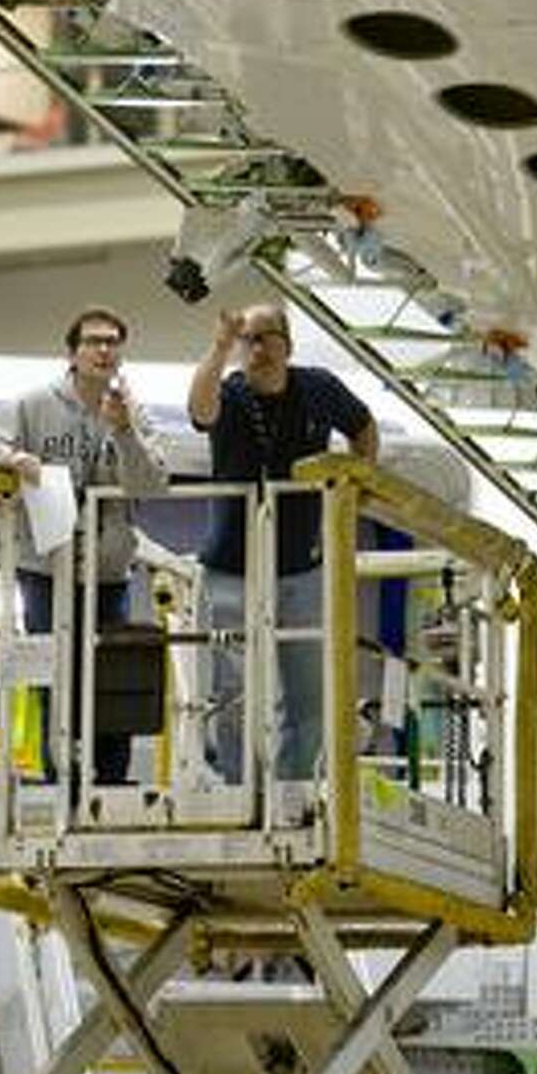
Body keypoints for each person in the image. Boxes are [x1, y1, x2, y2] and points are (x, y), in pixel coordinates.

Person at [0, 307, 168, 784]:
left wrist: (125, 432)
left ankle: (110, 782)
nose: (104, 350)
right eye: (93, 341)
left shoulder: (134, 411)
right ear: (71, 353)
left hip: (109, 569)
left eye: (113, 342)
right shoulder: (33, 405)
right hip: (44, 566)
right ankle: (60, 781)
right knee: (55, 673)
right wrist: (14, 457)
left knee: (110, 676)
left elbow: (151, 483)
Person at [188, 301, 378, 783]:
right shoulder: (229, 392)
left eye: (265, 337)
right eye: (247, 340)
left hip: (300, 568)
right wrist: (218, 346)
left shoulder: (317, 388)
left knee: (308, 694)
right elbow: (199, 410)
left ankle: (293, 794)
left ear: (286, 344)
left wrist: (357, 485)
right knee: (234, 694)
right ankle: (241, 793)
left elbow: (362, 426)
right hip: (231, 567)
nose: (256, 348)